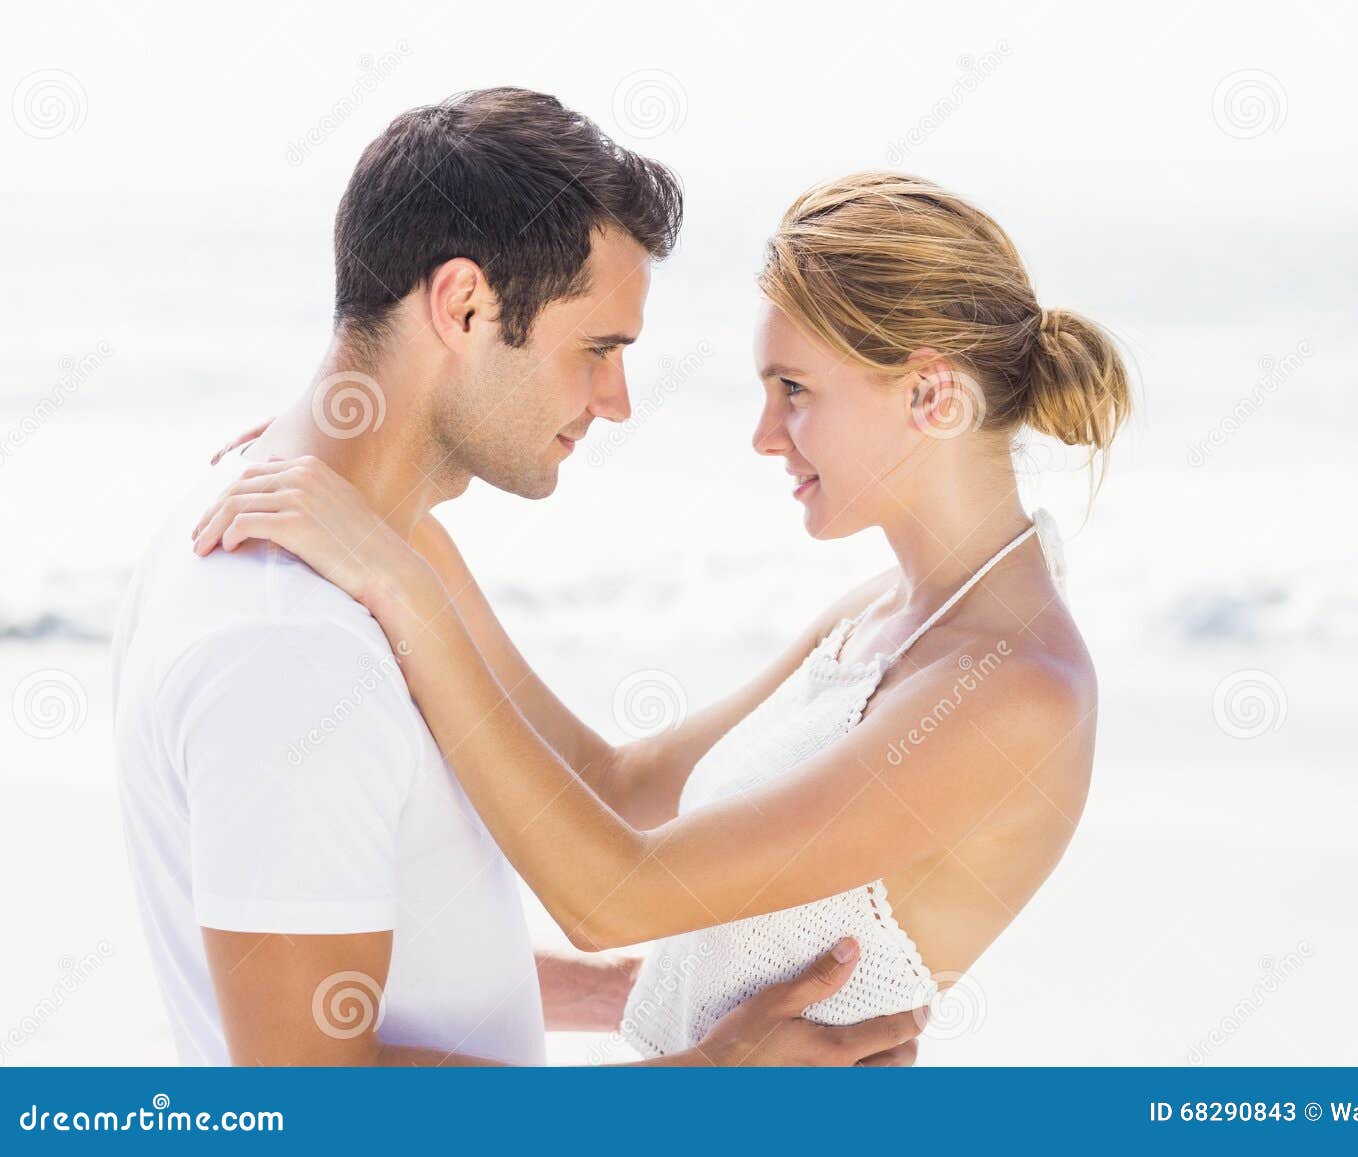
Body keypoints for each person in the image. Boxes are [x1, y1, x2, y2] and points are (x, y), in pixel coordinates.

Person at [192, 169, 1131, 1058]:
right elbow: (620, 785)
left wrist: (398, 584)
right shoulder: (886, 615)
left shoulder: (1015, 693)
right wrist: (390, 502)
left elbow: (612, 895)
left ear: (932, 394)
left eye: (795, 391)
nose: (764, 435)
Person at [111, 88, 922, 1067]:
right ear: (463, 305)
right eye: (598, 350)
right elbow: (308, 1095)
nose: (617, 401)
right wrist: (705, 1080)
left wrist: (635, 996)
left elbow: (354, 945)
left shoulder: (341, 534)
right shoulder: (292, 646)